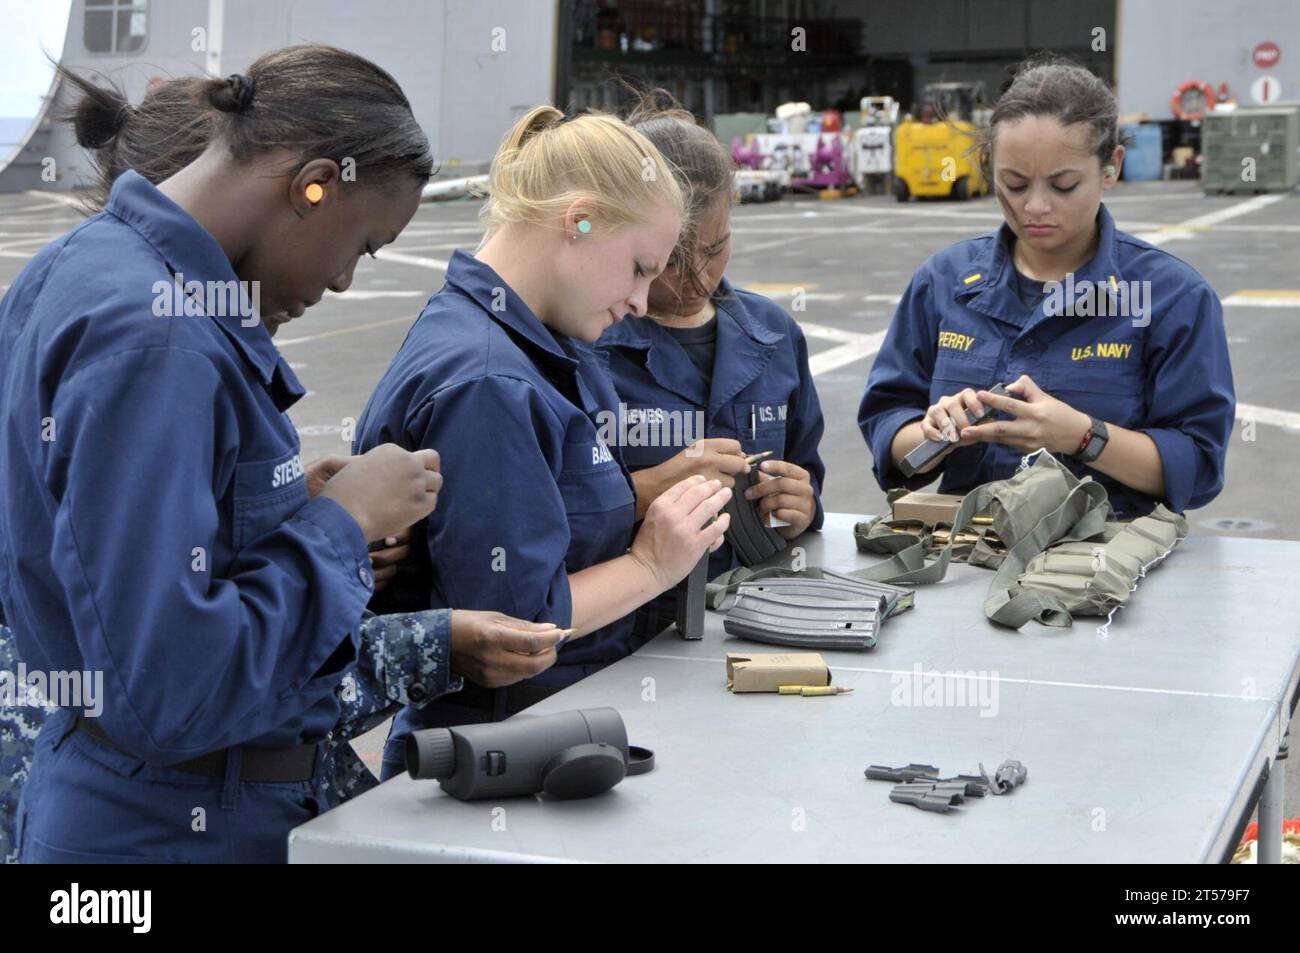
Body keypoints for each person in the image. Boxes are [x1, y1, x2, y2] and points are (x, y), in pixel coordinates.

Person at [0, 46, 556, 864]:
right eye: (364, 246)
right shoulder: (162, 338)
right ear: (315, 183)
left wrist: (280, 503)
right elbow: (167, 688)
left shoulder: (84, 268)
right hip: (174, 823)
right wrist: (342, 520)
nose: (343, 285)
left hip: (126, 802)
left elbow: (95, 549)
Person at [356, 105, 732, 778]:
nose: (643, 302)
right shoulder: (491, 380)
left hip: (540, 734)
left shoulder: (528, 340)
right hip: (506, 749)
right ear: (580, 220)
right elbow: (513, 632)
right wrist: (653, 563)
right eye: (641, 267)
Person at [859, 56, 1235, 519]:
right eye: (1014, 184)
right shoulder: (942, 283)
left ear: (1112, 167)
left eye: (1063, 185)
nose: (1035, 206)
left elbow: (1196, 466)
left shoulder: (1172, 297)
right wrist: (932, 434)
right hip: (964, 558)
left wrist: (1081, 436)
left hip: (1100, 567)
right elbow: (888, 427)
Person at [595, 91, 826, 638]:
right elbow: (548, 519)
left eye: (715, 246)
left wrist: (802, 502)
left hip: (755, 619)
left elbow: (807, 467)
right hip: (623, 634)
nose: (697, 276)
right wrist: (645, 490)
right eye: (672, 258)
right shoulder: (590, 346)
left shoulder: (774, 334)